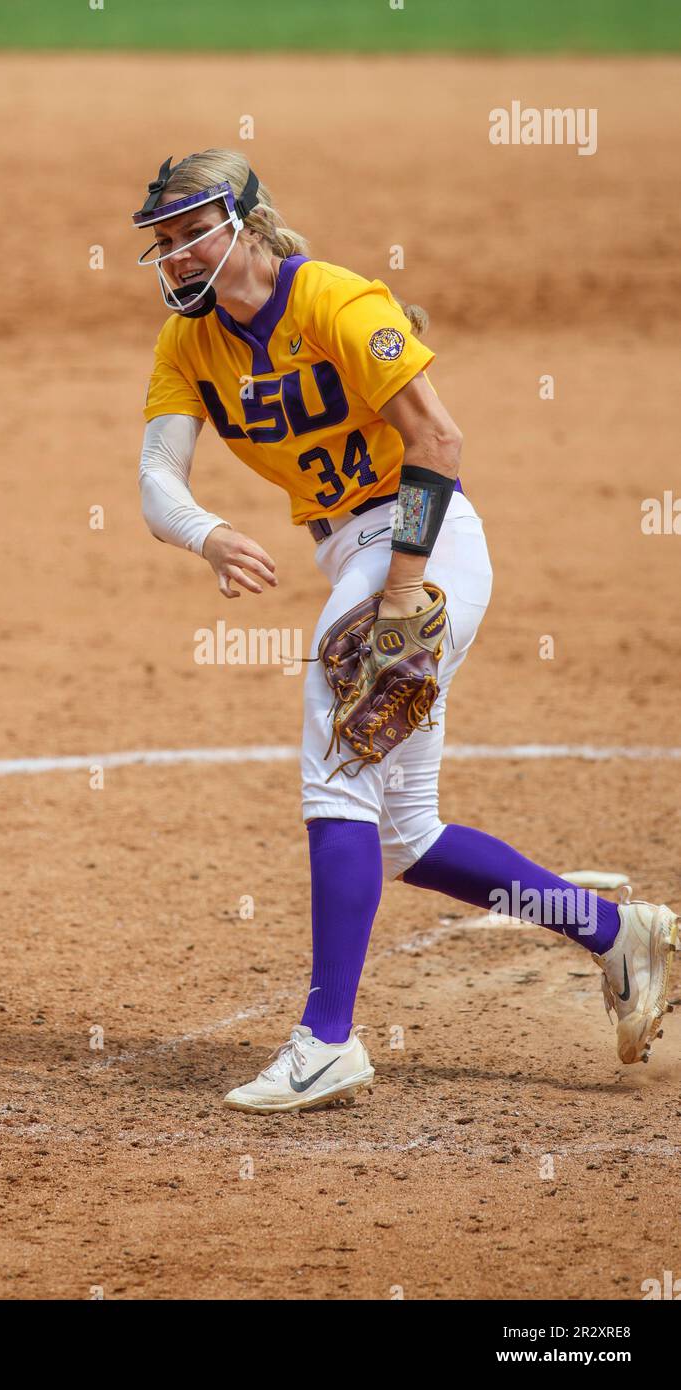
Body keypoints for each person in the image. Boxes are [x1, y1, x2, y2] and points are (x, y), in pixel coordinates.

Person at [134, 149, 678, 1114]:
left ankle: (328, 1041)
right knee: (406, 835)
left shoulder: (338, 302)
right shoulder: (191, 346)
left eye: (192, 236)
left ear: (249, 226)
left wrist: (403, 587)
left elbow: (439, 444)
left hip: (419, 546)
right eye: (163, 245)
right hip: (354, 553)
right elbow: (156, 479)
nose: (176, 260)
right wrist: (208, 533)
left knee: (336, 770)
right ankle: (616, 933)